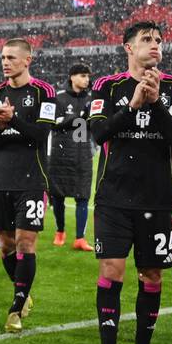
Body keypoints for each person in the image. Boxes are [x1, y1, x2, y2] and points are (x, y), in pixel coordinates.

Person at [87, 21, 172, 344]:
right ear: (128, 48)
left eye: (159, 40)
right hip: (113, 198)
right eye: (146, 40)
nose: (155, 45)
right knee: (111, 271)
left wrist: (156, 104)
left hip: (158, 199)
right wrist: (132, 105)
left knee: (152, 275)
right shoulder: (107, 86)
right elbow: (98, 132)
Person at [0, 40, 58, 333]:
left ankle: (16, 307)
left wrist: (14, 119)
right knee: (5, 245)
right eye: (2, 57)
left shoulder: (44, 92)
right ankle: (24, 291)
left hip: (32, 179)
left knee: (26, 242)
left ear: (27, 60)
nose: (5, 62)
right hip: (0, 180)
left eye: (11, 57)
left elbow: (41, 134)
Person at [47, 63, 94, 251]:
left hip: (83, 154)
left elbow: (93, 124)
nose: (87, 80)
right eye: (83, 76)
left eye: (88, 76)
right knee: (57, 196)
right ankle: (60, 231)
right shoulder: (58, 98)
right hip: (60, 154)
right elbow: (52, 122)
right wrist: (78, 118)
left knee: (83, 196)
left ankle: (80, 238)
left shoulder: (92, 99)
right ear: (72, 77)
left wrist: (84, 118)